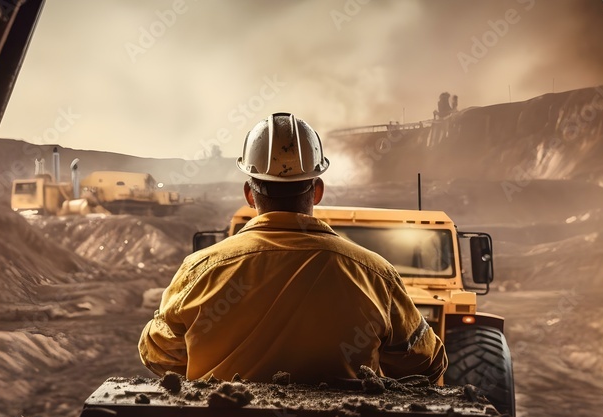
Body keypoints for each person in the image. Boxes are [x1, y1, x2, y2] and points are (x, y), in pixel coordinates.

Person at [138, 112, 447, 384]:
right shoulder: (374, 274)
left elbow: (158, 354)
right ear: (317, 192)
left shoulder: (200, 269)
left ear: (249, 193)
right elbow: (424, 364)